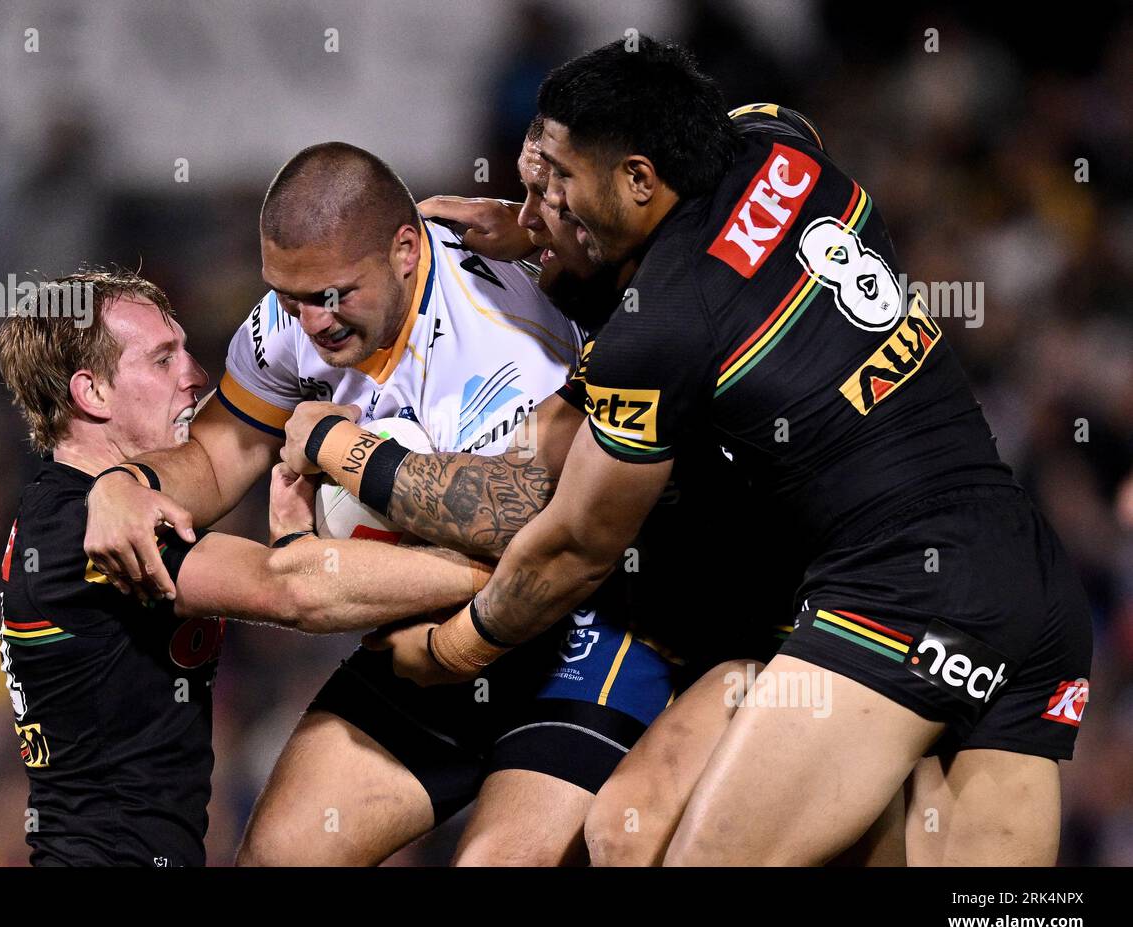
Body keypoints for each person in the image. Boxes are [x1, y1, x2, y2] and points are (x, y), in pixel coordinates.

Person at [291, 38, 1092, 867]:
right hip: (1016, 574)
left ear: (640, 179)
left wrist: (448, 643)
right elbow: (720, 241)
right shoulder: (776, 139)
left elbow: (570, 547)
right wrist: (549, 237)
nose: (529, 211)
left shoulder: (662, 330)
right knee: (628, 831)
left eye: (550, 185)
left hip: (901, 596)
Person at [82, 143, 684, 867]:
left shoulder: (500, 336)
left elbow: (533, 527)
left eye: (332, 294)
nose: (311, 322)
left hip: (587, 623)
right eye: (288, 295)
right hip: (432, 638)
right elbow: (215, 456)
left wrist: (334, 447)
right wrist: (123, 486)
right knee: (282, 858)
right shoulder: (293, 319)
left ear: (405, 250)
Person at [0, 269, 488, 865]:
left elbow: (284, 571)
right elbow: (293, 593)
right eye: (162, 360)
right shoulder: (89, 529)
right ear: (91, 393)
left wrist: (297, 540)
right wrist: (499, 573)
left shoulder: (86, 506)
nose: (194, 375)